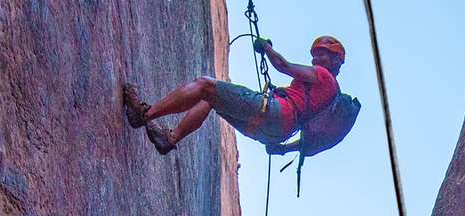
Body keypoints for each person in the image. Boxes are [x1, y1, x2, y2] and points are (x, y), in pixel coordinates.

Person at [121, 36, 345, 156]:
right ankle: (169, 139)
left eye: (324, 55)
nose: (317, 60)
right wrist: (284, 149)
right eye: (316, 55)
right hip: (273, 133)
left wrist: (266, 47)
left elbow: (283, 65)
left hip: (274, 112)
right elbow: (314, 138)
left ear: (336, 62)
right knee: (211, 98)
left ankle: (144, 115)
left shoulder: (324, 77)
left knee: (204, 85)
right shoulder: (330, 100)